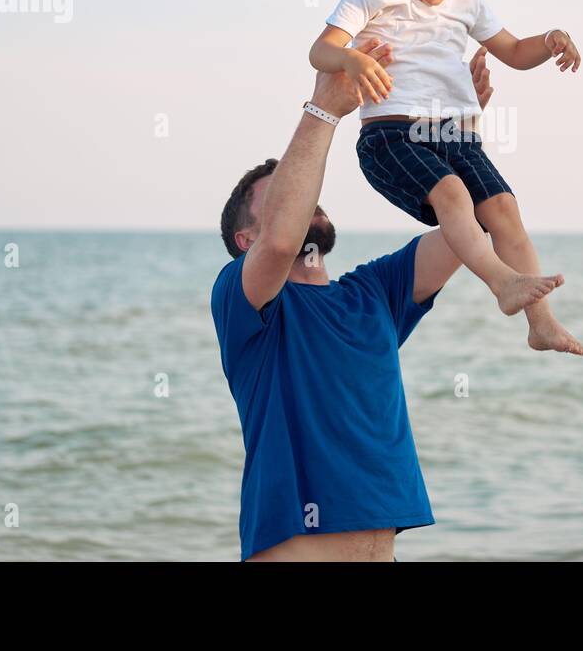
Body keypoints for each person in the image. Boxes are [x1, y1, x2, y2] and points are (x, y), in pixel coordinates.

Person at [211, 39, 494, 561]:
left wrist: (458, 132)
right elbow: (279, 240)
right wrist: (325, 108)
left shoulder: (373, 294)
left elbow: (471, 224)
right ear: (243, 242)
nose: (304, 204)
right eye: (279, 201)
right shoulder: (243, 299)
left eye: (303, 195)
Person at [309, 0, 583, 356]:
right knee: (454, 195)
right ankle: (502, 283)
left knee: (504, 209)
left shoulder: (469, 4)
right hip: (393, 136)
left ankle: (540, 323)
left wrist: (549, 41)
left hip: (457, 135)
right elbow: (321, 50)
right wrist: (353, 57)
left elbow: (515, 52)